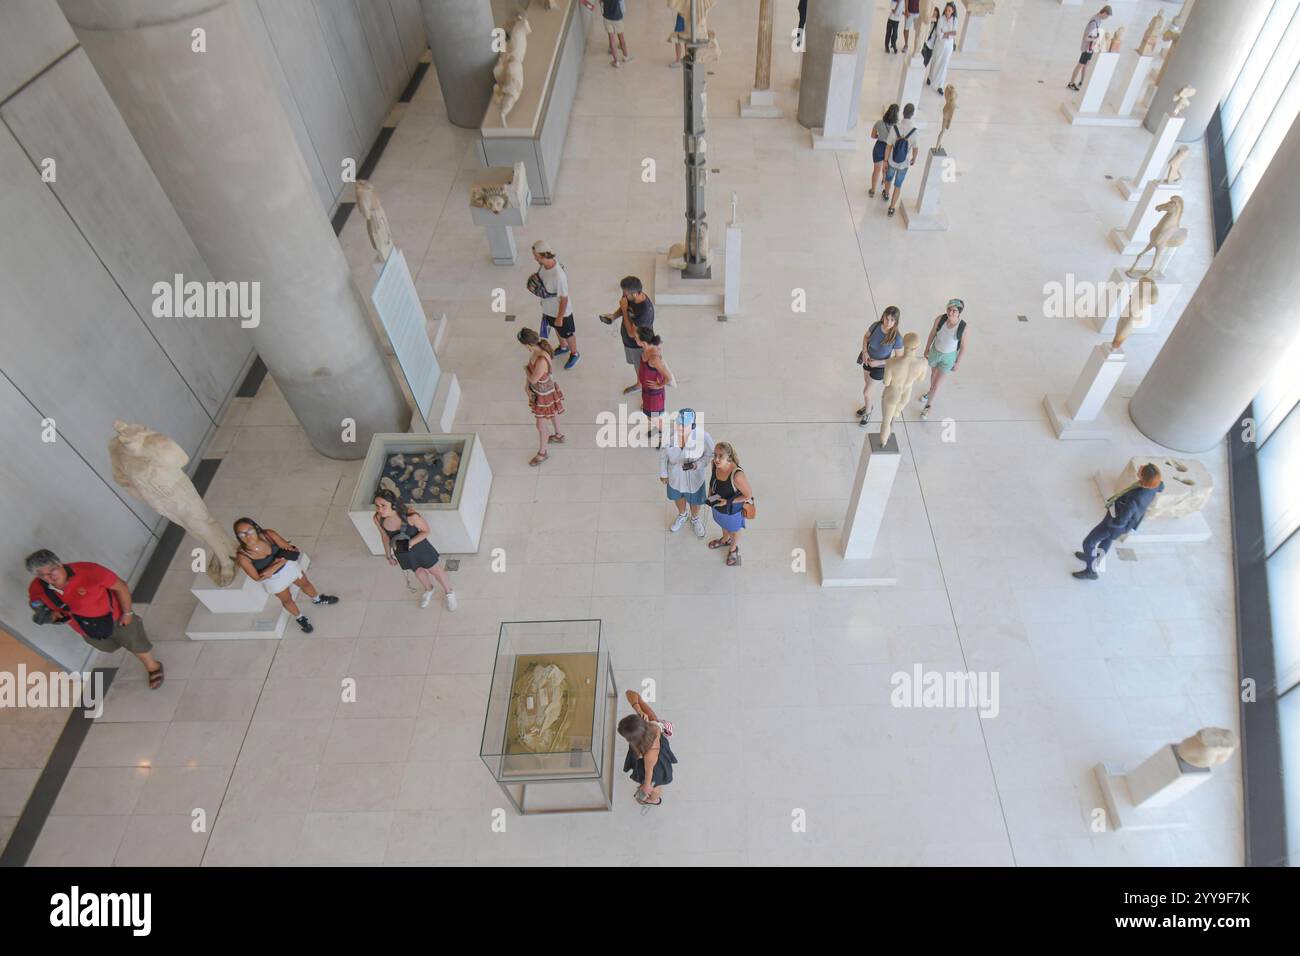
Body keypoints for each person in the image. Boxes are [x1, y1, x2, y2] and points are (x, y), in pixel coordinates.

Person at [25, 550, 164, 688]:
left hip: (115, 617)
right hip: (86, 628)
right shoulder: (37, 588)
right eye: (42, 576)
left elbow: (121, 587)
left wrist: (127, 613)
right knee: (109, 646)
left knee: (135, 642)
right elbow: (37, 605)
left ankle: (153, 667)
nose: (49, 578)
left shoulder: (89, 570)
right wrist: (50, 615)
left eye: (51, 572)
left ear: (59, 563)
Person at [232, 519, 338, 634]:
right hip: (273, 580)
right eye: (242, 534)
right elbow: (258, 578)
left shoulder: (269, 535)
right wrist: (279, 561)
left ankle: (318, 599)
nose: (247, 536)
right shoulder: (243, 557)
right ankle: (300, 617)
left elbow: (291, 550)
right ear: (238, 536)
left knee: (305, 584)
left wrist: (272, 567)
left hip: (288, 568)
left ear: (256, 529)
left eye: (250, 531)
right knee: (287, 600)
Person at [1073, 464, 1164, 580]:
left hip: (1115, 524)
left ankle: (1091, 571)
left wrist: (1111, 523)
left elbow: (1122, 519)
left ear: (1143, 477)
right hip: (1123, 522)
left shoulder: (1136, 499)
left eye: (1142, 468)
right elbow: (1162, 486)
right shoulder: (1155, 485)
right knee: (1107, 540)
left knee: (1088, 542)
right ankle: (1092, 557)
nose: (1140, 466)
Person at [373, 489, 457, 610]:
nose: (379, 509)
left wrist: (410, 543)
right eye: (377, 506)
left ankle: (449, 592)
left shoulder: (410, 516)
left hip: (419, 546)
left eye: (383, 506)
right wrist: (389, 556)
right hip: (401, 549)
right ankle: (429, 589)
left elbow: (426, 531)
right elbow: (385, 536)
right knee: (417, 571)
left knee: (435, 570)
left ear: (394, 505)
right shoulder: (378, 518)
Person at [661, 407, 715, 537]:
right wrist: (663, 473)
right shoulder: (669, 435)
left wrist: (698, 464)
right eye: (678, 424)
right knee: (677, 496)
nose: (680, 428)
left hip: (694, 476)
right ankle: (682, 515)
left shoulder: (703, 437)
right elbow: (663, 455)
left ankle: (695, 518)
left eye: (684, 425)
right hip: (675, 475)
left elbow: (710, 454)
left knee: (695, 499)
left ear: (693, 425)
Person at [599, 276, 656, 395]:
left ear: (635, 294)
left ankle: (648, 394)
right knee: (637, 367)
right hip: (629, 342)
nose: (623, 295)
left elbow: (631, 333)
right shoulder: (631, 296)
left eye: (625, 293)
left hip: (638, 346)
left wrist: (624, 310)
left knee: (643, 370)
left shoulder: (644, 312)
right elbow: (625, 305)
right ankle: (640, 384)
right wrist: (614, 316)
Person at [620, 689, 677, 806]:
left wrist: (646, 785)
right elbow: (630, 693)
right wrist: (638, 709)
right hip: (649, 760)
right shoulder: (651, 722)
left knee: (655, 786)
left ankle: (654, 800)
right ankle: (652, 796)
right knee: (652, 784)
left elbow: (649, 771)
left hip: (655, 767)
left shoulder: (650, 753)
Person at [528, 240, 579, 369]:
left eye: (535, 255)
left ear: (542, 255)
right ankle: (563, 347)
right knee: (556, 328)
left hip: (561, 312)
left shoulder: (558, 276)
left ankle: (575, 353)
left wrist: (560, 317)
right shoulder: (543, 266)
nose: (534, 258)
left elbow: (564, 299)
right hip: (549, 308)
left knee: (568, 333)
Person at [518, 327, 565, 466]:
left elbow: (533, 378)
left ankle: (542, 453)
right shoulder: (538, 351)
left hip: (544, 395)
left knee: (540, 425)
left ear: (528, 345)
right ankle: (559, 435)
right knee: (553, 412)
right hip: (545, 391)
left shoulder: (540, 360)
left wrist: (525, 370)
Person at [918, 298, 969, 421]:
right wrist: (926, 349)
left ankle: (928, 406)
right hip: (935, 352)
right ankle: (930, 392)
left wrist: (958, 362)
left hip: (948, 358)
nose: (950, 313)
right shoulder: (940, 319)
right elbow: (932, 334)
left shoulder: (963, 327)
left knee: (937, 383)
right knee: (933, 375)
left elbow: (963, 347)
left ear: (959, 313)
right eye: (949, 309)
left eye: (954, 311)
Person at [706, 441, 754, 568]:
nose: (716, 459)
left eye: (720, 456)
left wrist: (728, 501)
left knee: (734, 530)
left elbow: (748, 495)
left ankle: (733, 549)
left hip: (732, 510)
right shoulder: (714, 464)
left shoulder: (737, 476)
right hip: (718, 504)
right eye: (715, 454)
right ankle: (725, 539)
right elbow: (713, 481)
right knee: (723, 524)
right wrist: (710, 495)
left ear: (729, 457)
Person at [856, 306, 905, 425]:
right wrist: (865, 352)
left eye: (892, 320)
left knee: (867, 392)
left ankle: (868, 412)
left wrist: (879, 362)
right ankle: (869, 405)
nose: (888, 322)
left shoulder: (897, 338)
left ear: (896, 321)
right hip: (867, 360)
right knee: (868, 388)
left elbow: (899, 358)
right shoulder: (876, 326)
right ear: (883, 316)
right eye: (887, 318)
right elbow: (866, 337)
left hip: (881, 368)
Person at [635, 325, 675, 447]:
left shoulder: (654, 358)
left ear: (643, 342)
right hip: (647, 392)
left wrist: (659, 385)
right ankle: (658, 428)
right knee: (650, 416)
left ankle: (664, 435)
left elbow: (669, 377)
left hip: (654, 396)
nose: (634, 339)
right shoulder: (647, 349)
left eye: (636, 337)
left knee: (655, 418)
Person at [882, 103, 918, 217]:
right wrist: (913, 158)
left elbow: (888, 146)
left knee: (888, 178)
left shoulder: (895, 128)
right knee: (898, 185)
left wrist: (885, 161)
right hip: (904, 163)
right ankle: (891, 208)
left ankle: (886, 193)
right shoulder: (914, 131)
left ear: (903, 113)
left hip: (892, 161)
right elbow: (915, 148)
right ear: (912, 115)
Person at [1069, 6, 1112, 91]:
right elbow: (1086, 37)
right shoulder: (1094, 22)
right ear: (1104, 13)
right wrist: (1095, 38)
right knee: (1080, 65)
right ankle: (1071, 83)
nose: (1107, 18)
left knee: (1086, 65)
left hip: (1091, 47)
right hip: (1087, 48)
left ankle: (1082, 81)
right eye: (1107, 16)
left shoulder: (1098, 19)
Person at [584, 0, 632, 67]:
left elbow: (597, 4)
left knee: (612, 39)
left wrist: (585, 3)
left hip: (607, 18)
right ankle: (626, 56)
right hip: (617, 17)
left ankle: (616, 62)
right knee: (621, 38)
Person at [868, 104, 899, 199]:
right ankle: (885, 192)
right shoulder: (896, 127)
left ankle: (872, 190)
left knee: (876, 170)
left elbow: (873, 136)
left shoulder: (879, 123)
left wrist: (880, 137)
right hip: (889, 149)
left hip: (879, 147)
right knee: (886, 170)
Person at [926, 2, 958, 93]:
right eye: (946, 10)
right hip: (940, 45)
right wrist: (948, 33)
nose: (947, 12)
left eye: (949, 10)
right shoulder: (941, 19)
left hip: (948, 46)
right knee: (936, 61)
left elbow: (954, 33)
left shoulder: (955, 20)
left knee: (944, 64)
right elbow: (939, 34)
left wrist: (945, 33)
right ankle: (930, 77)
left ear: (952, 11)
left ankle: (940, 85)